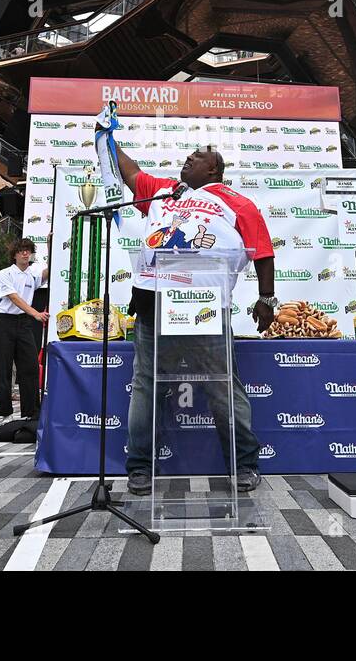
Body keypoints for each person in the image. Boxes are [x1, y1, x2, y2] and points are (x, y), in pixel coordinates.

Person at [108, 141, 276, 496]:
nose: (188, 158)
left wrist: (265, 298)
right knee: (147, 384)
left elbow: (262, 251)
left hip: (205, 306)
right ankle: (140, 467)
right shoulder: (166, 191)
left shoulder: (238, 202)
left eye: (197, 157)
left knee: (222, 386)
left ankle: (244, 463)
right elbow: (131, 172)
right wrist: (108, 137)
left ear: (214, 169)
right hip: (154, 301)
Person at [0, 240, 47, 423]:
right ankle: (5, 413)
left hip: (24, 324)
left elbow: (49, 272)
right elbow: (14, 298)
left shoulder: (33, 275)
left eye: (28, 251)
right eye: (21, 251)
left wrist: (51, 244)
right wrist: (35, 313)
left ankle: (31, 413)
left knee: (30, 367)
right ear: (14, 255)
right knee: (4, 369)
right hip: (4, 322)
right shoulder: (4, 273)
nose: (25, 254)